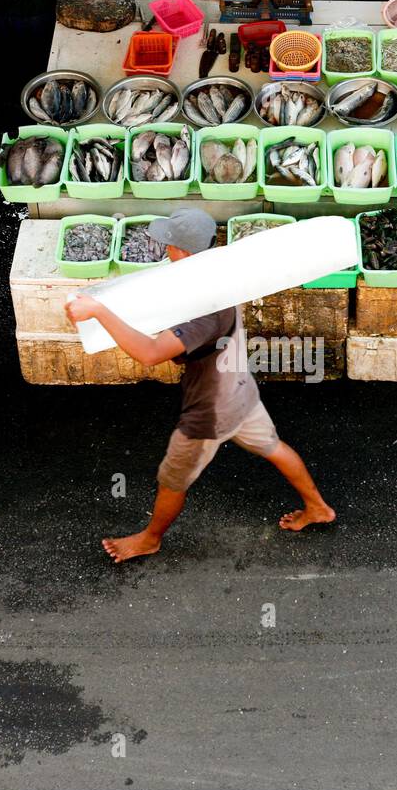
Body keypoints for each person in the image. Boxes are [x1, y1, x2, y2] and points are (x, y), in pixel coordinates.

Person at [65, 209, 335, 563]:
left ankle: (150, 538)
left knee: (173, 479)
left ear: (185, 253)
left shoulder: (204, 311)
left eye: (171, 246)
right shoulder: (218, 271)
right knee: (271, 445)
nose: (165, 251)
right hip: (240, 388)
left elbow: (150, 354)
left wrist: (100, 311)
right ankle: (318, 508)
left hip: (209, 411)